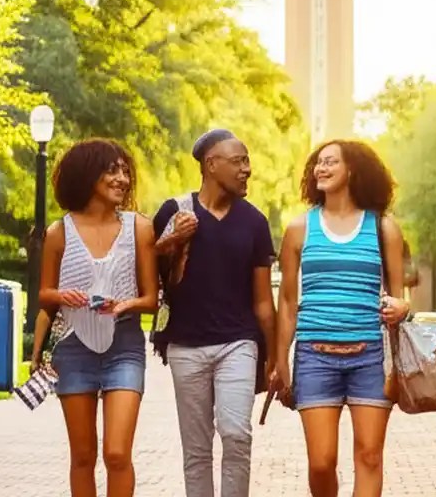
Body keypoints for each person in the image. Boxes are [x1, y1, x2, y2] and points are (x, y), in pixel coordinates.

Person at [275, 140, 411, 497]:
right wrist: (280, 363)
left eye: (330, 162)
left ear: (351, 170)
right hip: (314, 358)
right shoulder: (299, 229)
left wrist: (402, 307)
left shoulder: (384, 228)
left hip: (371, 359)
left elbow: (400, 296)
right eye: (318, 163)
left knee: (369, 456)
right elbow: (288, 302)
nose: (321, 168)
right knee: (321, 463)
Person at [151, 129, 278, 497]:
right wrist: (170, 240)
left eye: (247, 161)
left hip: (238, 343)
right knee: (197, 449)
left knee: (237, 434)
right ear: (211, 165)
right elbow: (145, 272)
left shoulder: (254, 222)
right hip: (185, 346)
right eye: (239, 161)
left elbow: (262, 300)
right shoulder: (174, 211)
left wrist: (271, 357)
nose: (247, 169)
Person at [37, 138, 158, 497]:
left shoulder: (140, 228)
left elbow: (151, 299)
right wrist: (62, 296)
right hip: (74, 348)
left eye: (124, 171)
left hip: (124, 345)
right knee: (83, 456)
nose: (122, 178)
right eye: (112, 170)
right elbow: (44, 293)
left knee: (117, 453)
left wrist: (126, 305)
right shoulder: (59, 233)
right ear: (87, 175)